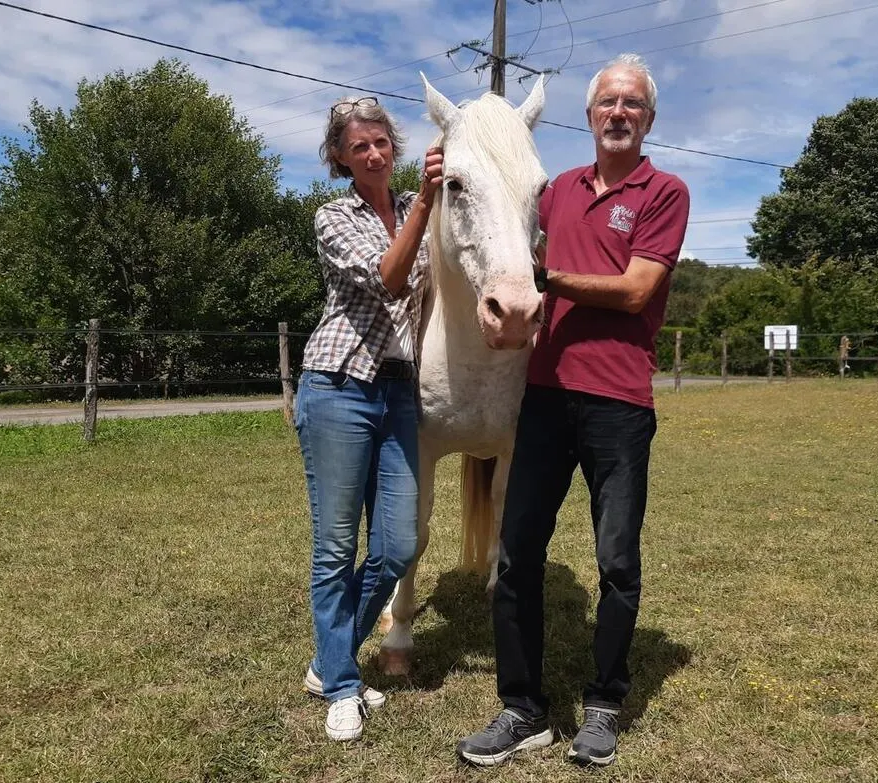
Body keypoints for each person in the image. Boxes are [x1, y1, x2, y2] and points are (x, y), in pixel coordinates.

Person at [456, 53, 690, 767]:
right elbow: (496, 227)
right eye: (607, 103)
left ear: (648, 119)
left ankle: (603, 703)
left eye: (632, 105)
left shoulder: (664, 191)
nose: (619, 113)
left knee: (617, 559)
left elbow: (633, 290)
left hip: (619, 402)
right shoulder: (553, 191)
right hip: (547, 397)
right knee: (518, 551)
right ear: (588, 116)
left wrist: (545, 274)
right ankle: (523, 707)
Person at [295, 95, 442, 742]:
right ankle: (344, 684)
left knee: (399, 544)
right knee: (334, 550)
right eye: (360, 147)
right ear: (340, 158)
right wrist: (429, 208)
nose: (375, 153)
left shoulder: (417, 206)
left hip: (399, 391)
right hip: (337, 388)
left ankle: (328, 663)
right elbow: (388, 276)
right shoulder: (334, 216)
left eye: (381, 142)